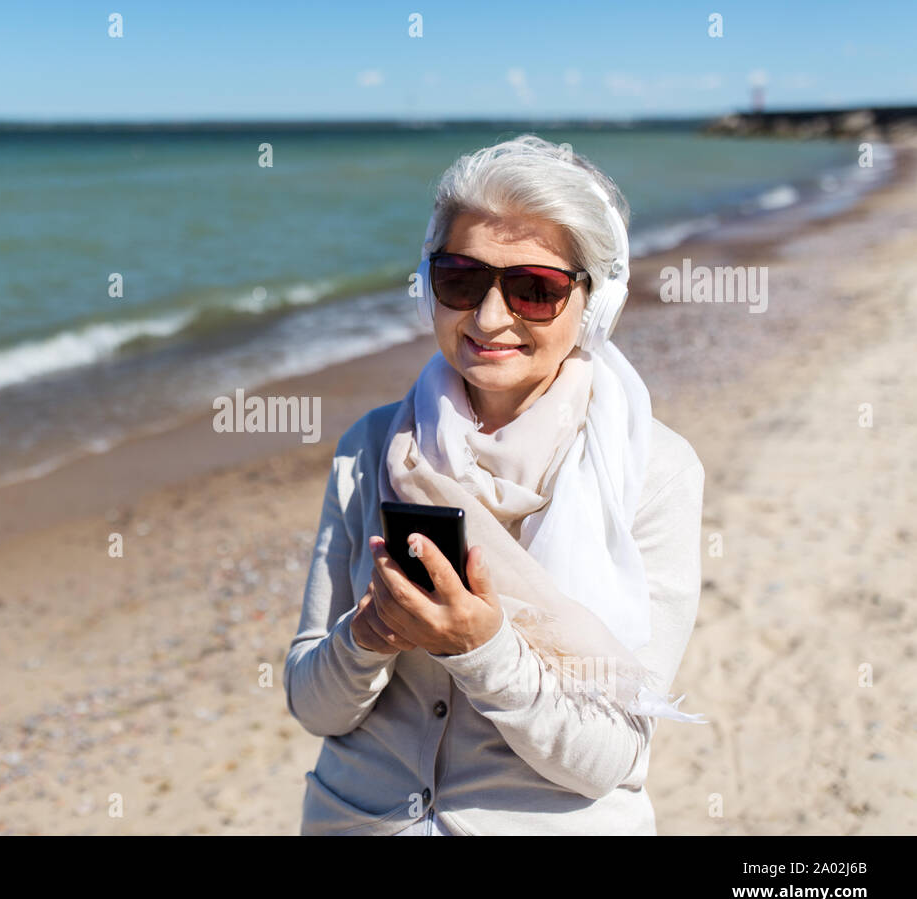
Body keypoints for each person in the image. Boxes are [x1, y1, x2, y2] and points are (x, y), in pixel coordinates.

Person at [285, 134, 706, 836]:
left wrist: (480, 649)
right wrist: (368, 635)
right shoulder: (371, 447)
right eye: (459, 279)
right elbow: (313, 705)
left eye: (534, 290)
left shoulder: (653, 470)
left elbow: (612, 756)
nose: (488, 318)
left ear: (593, 303)